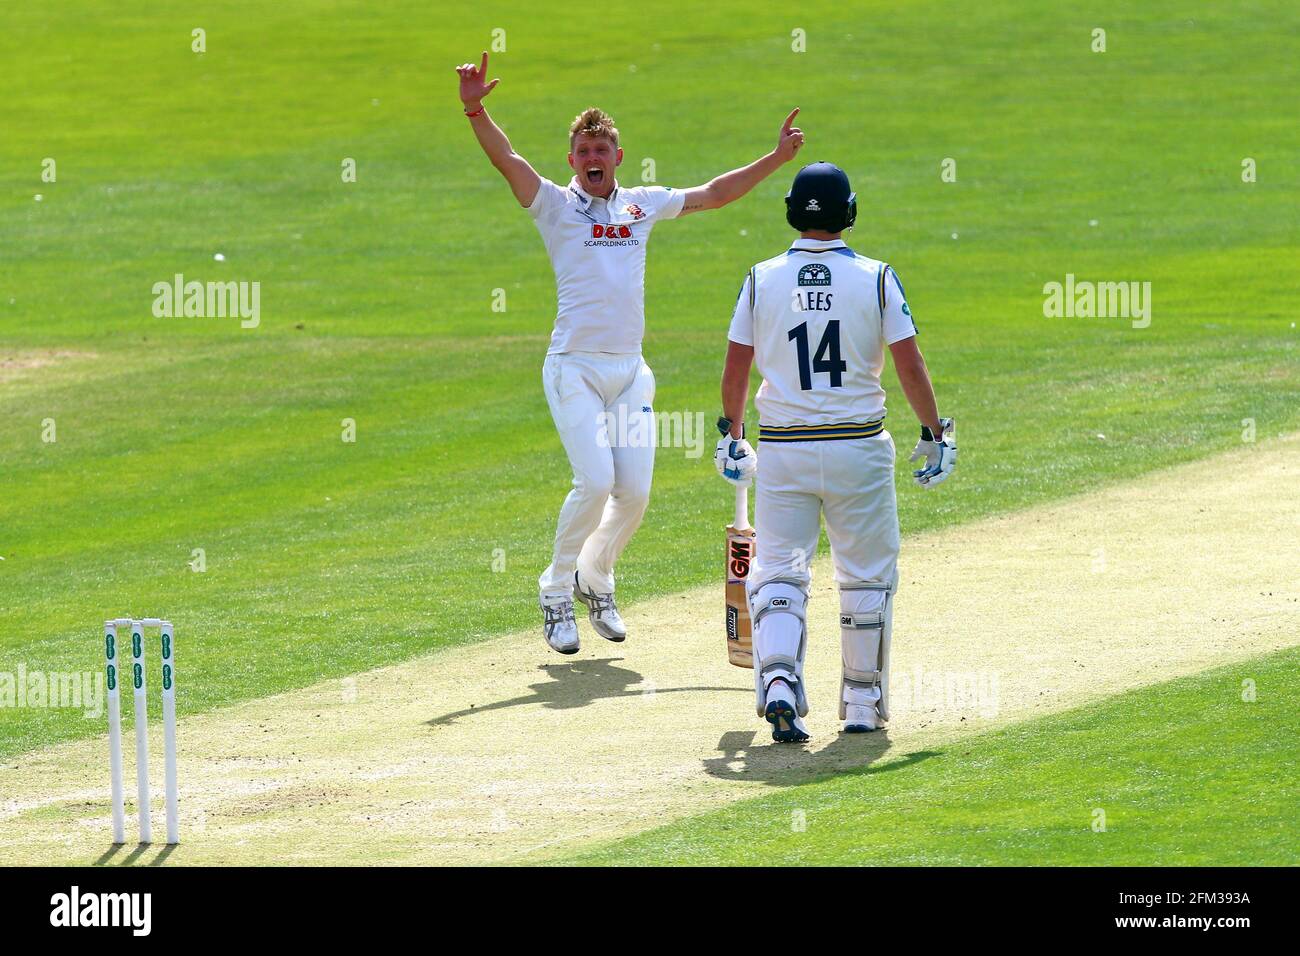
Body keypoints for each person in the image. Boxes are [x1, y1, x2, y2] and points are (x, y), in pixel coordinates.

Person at [455, 51, 806, 655]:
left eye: (603, 150)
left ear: (618, 156)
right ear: (572, 161)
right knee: (593, 481)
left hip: (630, 373)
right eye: (584, 152)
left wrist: (776, 158)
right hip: (574, 367)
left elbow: (715, 194)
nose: (593, 160)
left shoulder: (642, 204)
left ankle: (597, 574)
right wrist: (474, 108)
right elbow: (507, 160)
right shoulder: (554, 206)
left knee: (635, 494)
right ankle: (556, 589)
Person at [715, 161, 957, 742]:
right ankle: (861, 703)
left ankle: (778, 682)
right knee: (866, 576)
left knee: (777, 568)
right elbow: (909, 363)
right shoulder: (876, 278)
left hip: (782, 450)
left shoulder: (760, 278)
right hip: (857, 448)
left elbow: (737, 363)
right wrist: (934, 432)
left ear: (792, 212)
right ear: (850, 212)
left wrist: (732, 432)